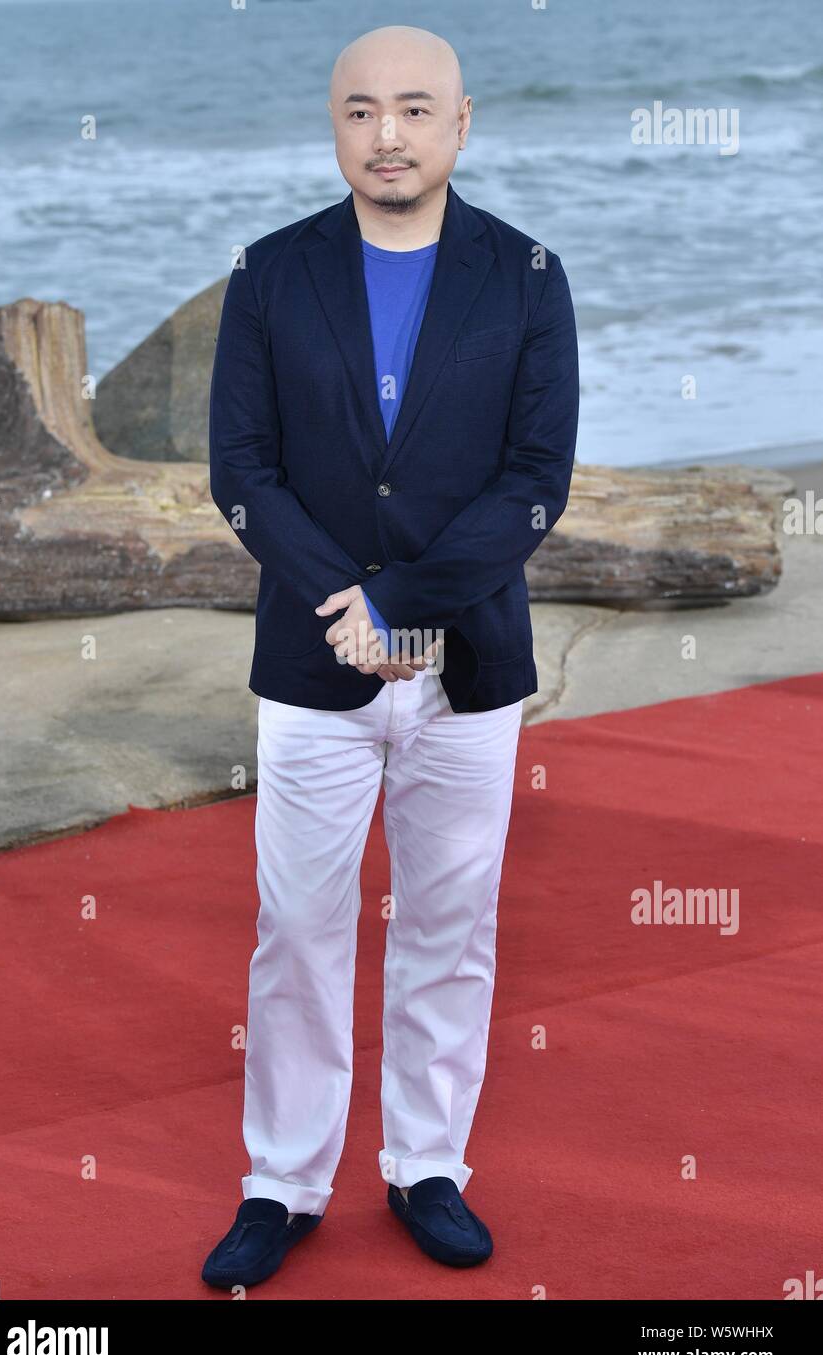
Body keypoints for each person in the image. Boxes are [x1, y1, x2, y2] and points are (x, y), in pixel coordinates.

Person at [202, 23, 579, 1289]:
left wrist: (407, 600)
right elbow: (241, 475)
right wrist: (347, 606)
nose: (388, 133)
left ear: (459, 125)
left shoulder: (527, 275)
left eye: (415, 109)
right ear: (335, 127)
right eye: (361, 111)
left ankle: (427, 1166)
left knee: (448, 924)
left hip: (469, 666)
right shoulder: (266, 273)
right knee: (296, 927)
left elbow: (536, 482)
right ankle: (282, 1182)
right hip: (312, 667)